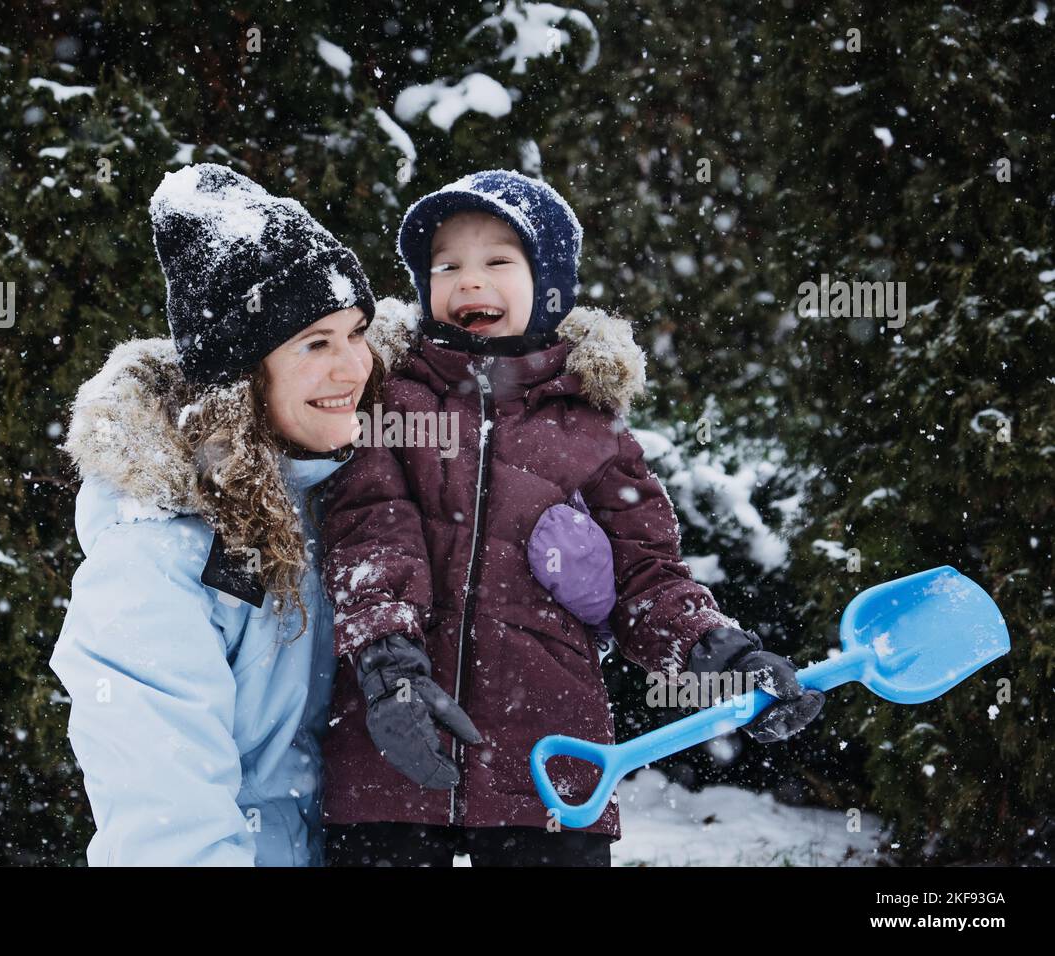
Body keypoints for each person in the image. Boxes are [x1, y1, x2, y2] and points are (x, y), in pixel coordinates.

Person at [316, 170, 824, 867]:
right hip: (391, 742)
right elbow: (368, 541)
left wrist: (725, 655)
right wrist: (390, 672)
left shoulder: (596, 433)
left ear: (549, 283)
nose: (468, 282)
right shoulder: (387, 408)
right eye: (446, 266)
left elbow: (650, 579)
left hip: (548, 758)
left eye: (497, 261)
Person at [49, 163, 383, 866]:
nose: (354, 368)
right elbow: (170, 833)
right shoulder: (151, 563)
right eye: (316, 344)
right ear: (241, 373)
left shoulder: (351, 499)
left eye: (358, 333)